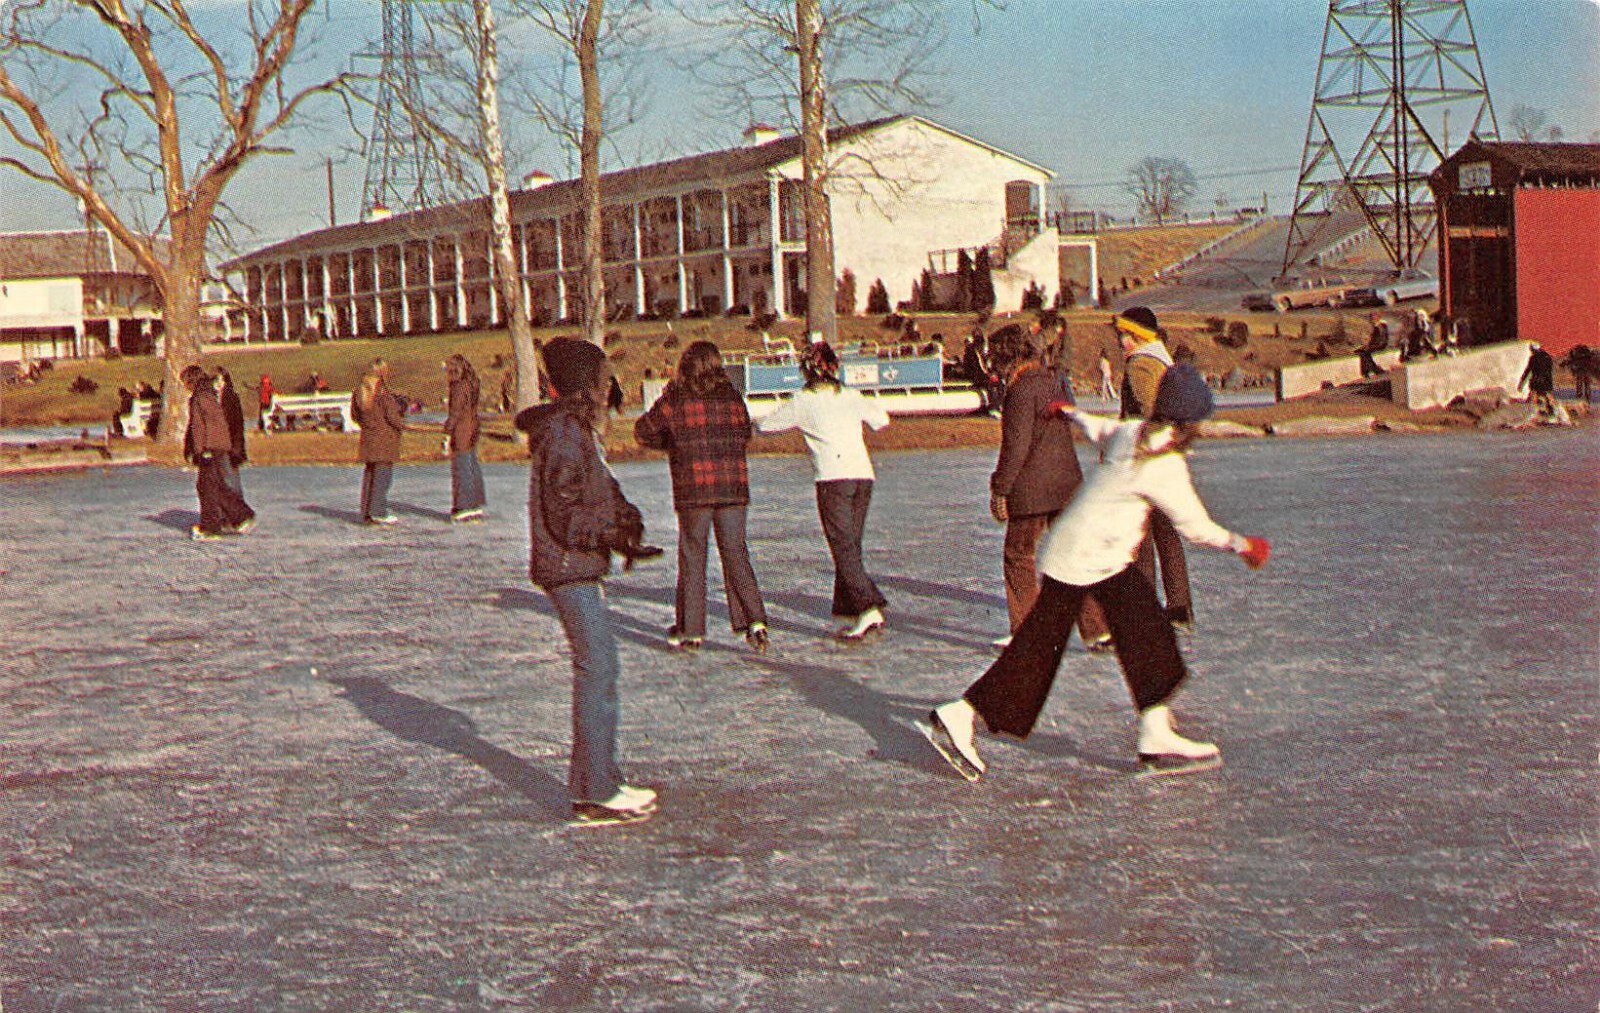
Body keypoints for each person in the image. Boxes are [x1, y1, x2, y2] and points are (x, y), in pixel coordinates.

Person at [921, 360, 1271, 780]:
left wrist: (1068, 412)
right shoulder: (1164, 465)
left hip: (1095, 556)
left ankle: (1155, 730)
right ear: (1188, 421)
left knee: (1147, 632)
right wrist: (1243, 544)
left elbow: (1098, 428)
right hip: (1084, 560)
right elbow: (1195, 527)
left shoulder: (1132, 432)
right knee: (1038, 651)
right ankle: (961, 713)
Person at [514, 337, 664, 827]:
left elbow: (599, 488)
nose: (608, 388)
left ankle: (598, 781)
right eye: (601, 380)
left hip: (577, 563)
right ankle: (595, 789)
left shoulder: (575, 430)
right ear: (584, 386)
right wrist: (608, 535)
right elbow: (564, 513)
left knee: (600, 667)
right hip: (567, 566)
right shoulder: (563, 434)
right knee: (598, 667)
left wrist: (626, 519)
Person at [634, 340, 770, 653]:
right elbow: (745, 433)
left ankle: (691, 629)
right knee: (736, 553)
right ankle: (755, 621)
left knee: (693, 556)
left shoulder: (676, 398)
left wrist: (672, 443)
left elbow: (643, 431)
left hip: (693, 488)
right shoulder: (732, 396)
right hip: (732, 487)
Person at [986, 327, 1111, 653]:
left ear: (1006, 356)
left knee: (1018, 555)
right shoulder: (1052, 381)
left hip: (1032, 491)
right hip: (1066, 484)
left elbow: (1016, 448)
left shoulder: (1019, 391)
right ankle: (1097, 628)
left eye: (994, 356)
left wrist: (1000, 488)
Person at [757, 340, 892, 640]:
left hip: (833, 479)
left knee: (842, 546)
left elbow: (766, 426)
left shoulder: (803, 401)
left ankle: (868, 606)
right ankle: (849, 608)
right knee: (851, 544)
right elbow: (881, 421)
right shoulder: (850, 395)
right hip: (862, 476)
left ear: (806, 371)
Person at [1116, 307, 1194, 630]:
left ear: (1139, 336)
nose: (1121, 341)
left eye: (1125, 335)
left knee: (1141, 534)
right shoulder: (1163, 360)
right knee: (1166, 532)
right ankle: (1179, 606)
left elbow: (1152, 412)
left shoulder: (1140, 365)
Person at [181, 365, 256, 541]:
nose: (183, 385)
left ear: (191, 380)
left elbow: (212, 424)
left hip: (211, 448)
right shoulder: (203, 394)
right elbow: (197, 426)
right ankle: (239, 516)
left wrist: (206, 450)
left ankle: (213, 526)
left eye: (184, 381)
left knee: (208, 487)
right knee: (213, 485)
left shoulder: (202, 396)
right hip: (211, 447)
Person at [350, 358, 408, 525]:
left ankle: (367, 511)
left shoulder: (358, 391)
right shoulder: (382, 392)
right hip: (384, 439)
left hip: (369, 438)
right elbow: (392, 417)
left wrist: (368, 426)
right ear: (382, 372)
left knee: (370, 475)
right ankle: (378, 511)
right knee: (383, 476)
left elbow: (355, 416)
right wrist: (402, 422)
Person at [442, 354, 486, 522]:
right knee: (471, 464)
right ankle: (474, 503)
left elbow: (455, 413)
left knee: (462, 466)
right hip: (472, 426)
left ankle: (464, 505)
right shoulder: (472, 383)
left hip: (462, 430)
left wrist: (447, 432)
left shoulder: (458, 386)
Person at [214, 367, 248, 497]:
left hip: (230, 443)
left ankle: (237, 503)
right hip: (215, 444)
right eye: (216, 381)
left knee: (232, 478)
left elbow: (238, 423)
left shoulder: (232, 398)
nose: (218, 384)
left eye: (221, 381)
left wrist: (237, 447)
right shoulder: (208, 398)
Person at [1519, 342, 1556, 413]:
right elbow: (1549, 370)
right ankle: (1552, 411)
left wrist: (1521, 384)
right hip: (1547, 382)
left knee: (1533, 398)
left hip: (1536, 382)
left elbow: (1527, 371)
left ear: (1532, 349)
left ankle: (1534, 412)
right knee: (1548, 397)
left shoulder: (1533, 358)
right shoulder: (1547, 357)